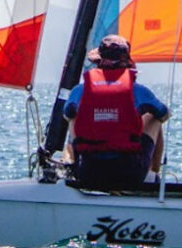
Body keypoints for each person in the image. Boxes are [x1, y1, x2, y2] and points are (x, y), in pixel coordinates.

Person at [63, 35, 168, 188]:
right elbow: (164, 114)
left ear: (98, 62)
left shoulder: (79, 90)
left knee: (73, 116)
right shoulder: (139, 91)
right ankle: (152, 174)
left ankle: (70, 163)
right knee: (154, 117)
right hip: (130, 174)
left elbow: (66, 114)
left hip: (88, 172)